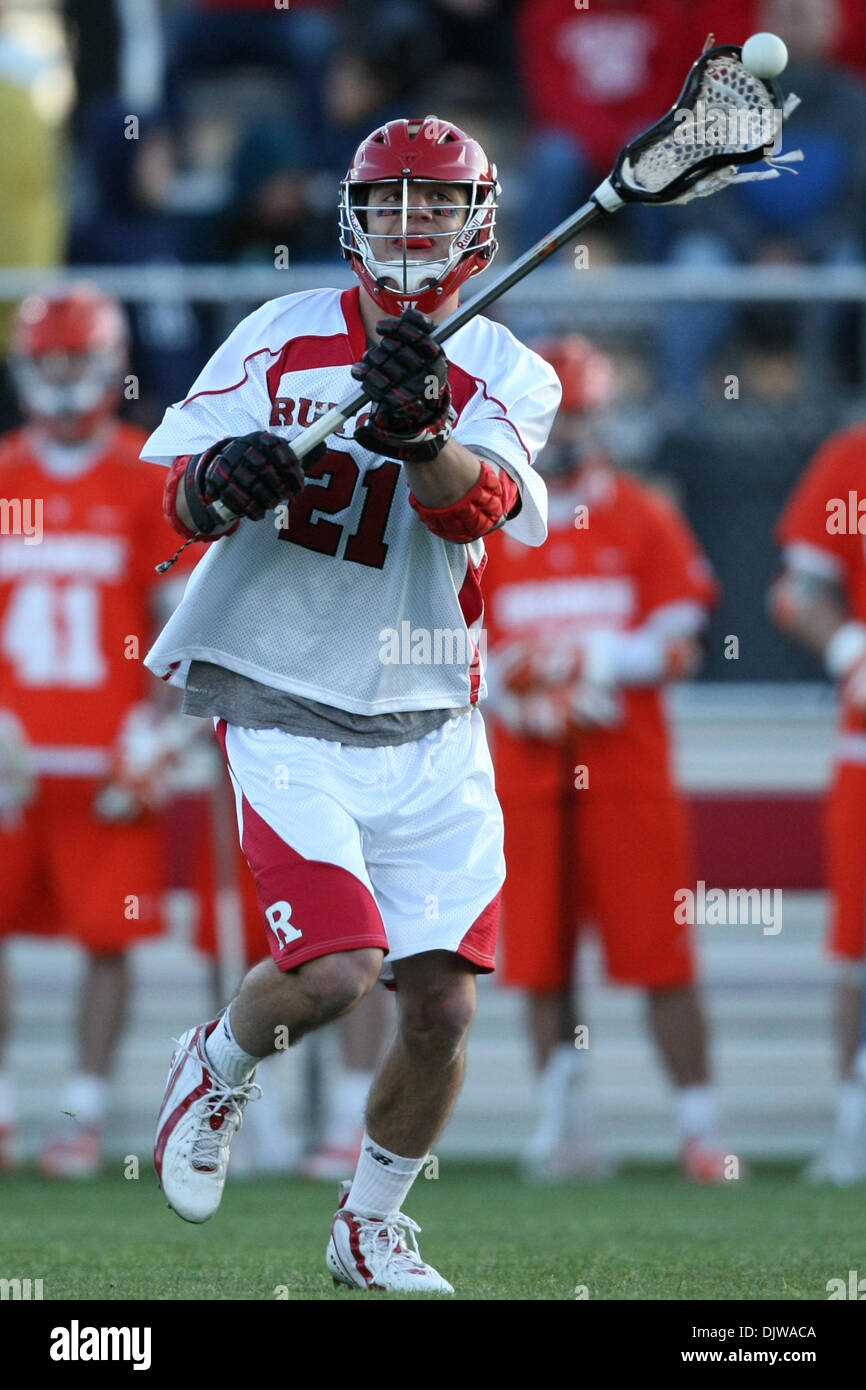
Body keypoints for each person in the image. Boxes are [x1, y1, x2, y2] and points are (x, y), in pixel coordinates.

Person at [147, 114, 559, 1293]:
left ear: (475, 224)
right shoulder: (278, 336)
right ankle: (217, 1066)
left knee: (438, 1004)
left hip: (429, 711)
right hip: (281, 692)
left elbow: (475, 509)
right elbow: (180, 500)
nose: (410, 225)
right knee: (333, 971)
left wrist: (421, 430)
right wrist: (222, 481)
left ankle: (366, 1224)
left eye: (435, 204)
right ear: (352, 216)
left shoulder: (508, 368)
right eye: (389, 203)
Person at [483, 335, 734, 1183]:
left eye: (580, 415)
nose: (567, 434)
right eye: (554, 419)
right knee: (539, 957)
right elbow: (452, 650)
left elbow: (681, 646)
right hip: (524, 768)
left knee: (659, 951)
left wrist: (581, 662)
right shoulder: (486, 522)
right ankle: (565, 1117)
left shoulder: (641, 513)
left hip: (628, 771)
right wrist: (518, 693)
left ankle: (700, 1125)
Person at [0, 285, 188, 1175]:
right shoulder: (4, 474)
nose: (66, 381)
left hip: (111, 752)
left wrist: (158, 732)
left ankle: (82, 1108)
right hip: (12, 757)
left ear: (110, 366)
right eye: (52, 362)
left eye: (80, 361)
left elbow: (181, 623)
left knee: (107, 938)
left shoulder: (143, 475)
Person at [771, 419, 866, 1183]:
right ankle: (857, 1118)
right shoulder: (850, 457)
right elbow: (798, 590)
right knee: (858, 945)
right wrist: (849, 651)